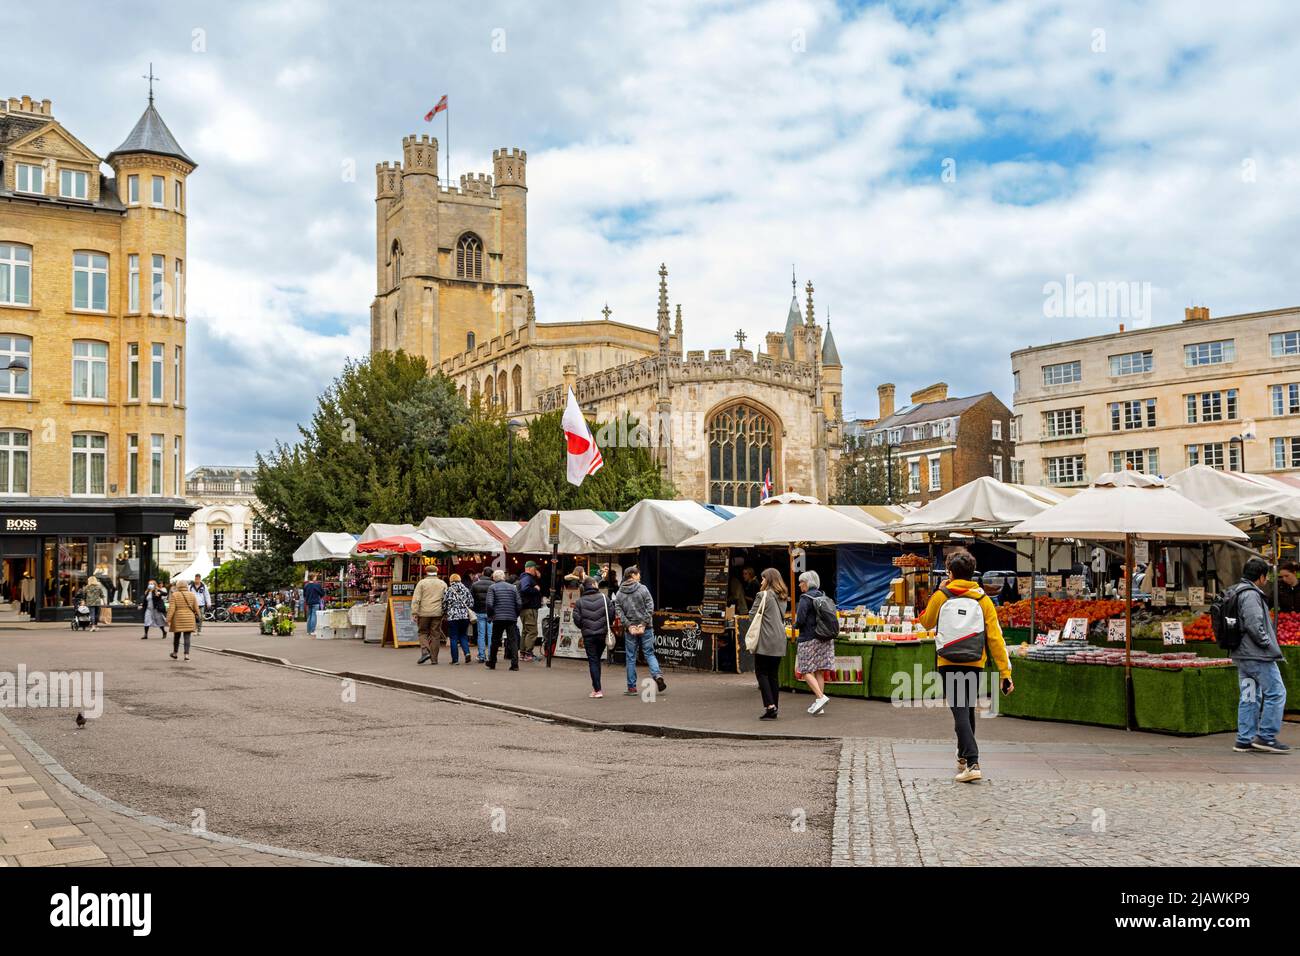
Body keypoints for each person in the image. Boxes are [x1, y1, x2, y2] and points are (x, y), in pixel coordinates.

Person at [920, 548, 1014, 783]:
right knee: (967, 706)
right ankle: (963, 756)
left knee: (960, 709)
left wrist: (931, 597)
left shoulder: (942, 595)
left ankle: (972, 761)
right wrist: (1005, 672)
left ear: (950, 572)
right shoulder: (983, 600)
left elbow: (926, 623)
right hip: (975, 661)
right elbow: (995, 638)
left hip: (947, 660)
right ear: (972, 573)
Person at [1231, 556, 1289, 753]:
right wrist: (1267, 644)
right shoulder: (1250, 594)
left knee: (1249, 696)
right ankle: (1266, 736)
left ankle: (1244, 738)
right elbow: (1254, 625)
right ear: (1262, 577)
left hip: (1242, 655)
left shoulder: (1237, 591)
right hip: (1257, 655)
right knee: (1276, 692)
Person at [614, 565, 666, 696]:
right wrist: (643, 623)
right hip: (646, 627)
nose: (640, 576)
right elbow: (650, 606)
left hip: (630, 629)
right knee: (649, 653)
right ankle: (657, 675)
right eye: (638, 574)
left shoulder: (619, 593)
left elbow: (619, 611)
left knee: (631, 657)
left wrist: (629, 625)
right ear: (632, 575)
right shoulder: (643, 589)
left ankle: (631, 688)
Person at [751, 568, 790, 719]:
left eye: (763, 578)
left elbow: (752, 616)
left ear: (769, 580)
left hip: (766, 639)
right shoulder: (783, 597)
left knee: (761, 673)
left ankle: (770, 706)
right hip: (780, 639)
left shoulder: (762, 595)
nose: (761, 581)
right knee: (773, 674)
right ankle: (774, 706)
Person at [793, 570, 833, 715]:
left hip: (808, 638)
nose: (799, 585)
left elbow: (800, 620)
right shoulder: (823, 596)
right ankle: (819, 704)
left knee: (805, 670)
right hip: (824, 639)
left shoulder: (805, 598)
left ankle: (821, 698)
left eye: (801, 582)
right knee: (819, 671)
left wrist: (794, 625)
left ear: (807, 583)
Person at [572, 576, 615, 698]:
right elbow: (612, 613)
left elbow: (576, 619)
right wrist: (607, 625)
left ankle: (597, 689)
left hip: (588, 635)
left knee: (593, 660)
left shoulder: (580, 602)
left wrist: (583, 626)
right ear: (594, 585)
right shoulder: (604, 598)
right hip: (602, 634)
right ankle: (597, 688)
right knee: (597, 660)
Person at [411, 565, 447, 665]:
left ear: (426, 572)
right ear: (437, 572)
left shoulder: (422, 583)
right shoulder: (442, 583)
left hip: (424, 612)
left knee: (422, 632)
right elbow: (446, 599)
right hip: (437, 612)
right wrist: (445, 612)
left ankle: (425, 651)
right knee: (435, 635)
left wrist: (414, 612)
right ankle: (434, 659)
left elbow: (416, 598)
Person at [486, 569, 522, 670]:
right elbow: (519, 603)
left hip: (498, 618)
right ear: (504, 577)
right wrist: (516, 614)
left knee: (495, 640)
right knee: (513, 640)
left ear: (494, 578)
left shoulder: (492, 587)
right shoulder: (513, 588)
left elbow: (489, 604)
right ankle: (515, 664)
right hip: (511, 618)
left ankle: (492, 662)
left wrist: (490, 616)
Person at [517, 560, 544, 662]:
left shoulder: (524, 577)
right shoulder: (527, 578)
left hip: (525, 609)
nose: (536, 570)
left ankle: (523, 653)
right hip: (529, 609)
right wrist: (536, 589)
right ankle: (529, 654)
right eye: (534, 568)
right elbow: (525, 589)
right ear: (530, 568)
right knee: (532, 632)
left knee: (525, 631)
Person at [444, 573, 474, 665]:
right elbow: (471, 603)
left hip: (453, 617)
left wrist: (446, 612)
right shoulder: (466, 589)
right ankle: (467, 652)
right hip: (464, 616)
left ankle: (455, 660)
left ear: (451, 580)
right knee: (463, 635)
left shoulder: (448, 590)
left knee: (453, 638)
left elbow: (444, 604)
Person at [167, 580, 200, 662]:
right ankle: (186, 655)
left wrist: (168, 619)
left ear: (178, 586)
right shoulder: (192, 595)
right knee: (187, 637)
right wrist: (199, 616)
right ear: (186, 586)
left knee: (177, 636)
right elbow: (196, 607)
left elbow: (172, 609)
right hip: (189, 617)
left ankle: (175, 653)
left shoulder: (175, 595)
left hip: (178, 618)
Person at [471, 568, 494, 663]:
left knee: (481, 634)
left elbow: (471, 599)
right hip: (490, 613)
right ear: (491, 574)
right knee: (491, 634)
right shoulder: (494, 585)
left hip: (479, 611)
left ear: (483, 573)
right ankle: (491, 655)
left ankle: (481, 656)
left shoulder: (475, 585)